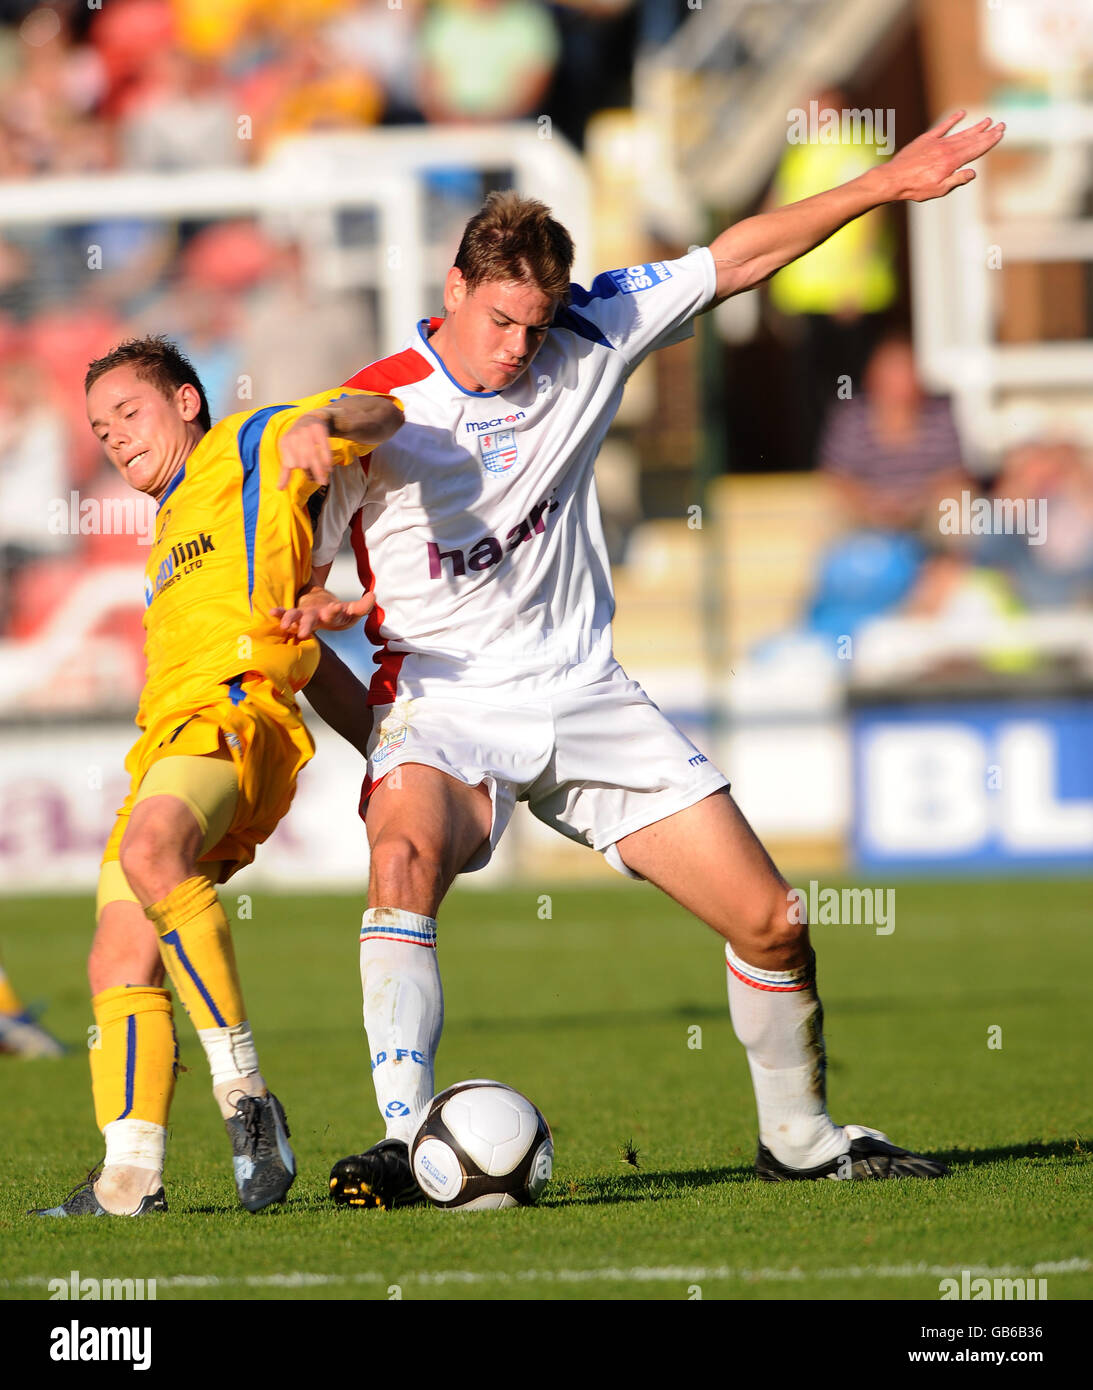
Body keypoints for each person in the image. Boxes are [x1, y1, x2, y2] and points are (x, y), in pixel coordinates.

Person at [281, 111, 1006, 1208]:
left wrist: (885, 185)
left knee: (774, 920)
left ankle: (800, 1136)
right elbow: (338, 444)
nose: (516, 346)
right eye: (496, 320)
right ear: (453, 290)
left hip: (585, 693)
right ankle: (406, 1134)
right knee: (403, 860)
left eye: (533, 322)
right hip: (444, 702)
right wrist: (308, 498)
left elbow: (742, 252)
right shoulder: (380, 408)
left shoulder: (596, 325)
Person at [33, 335, 403, 1217]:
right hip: (172, 741)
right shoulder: (168, 531)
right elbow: (301, 646)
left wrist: (321, 417)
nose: (116, 437)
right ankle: (129, 1178)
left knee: (154, 853)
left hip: (235, 718)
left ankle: (245, 1098)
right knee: (118, 951)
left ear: (188, 403)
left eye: (132, 411)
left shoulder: (247, 443)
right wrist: (382, 749)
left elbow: (380, 415)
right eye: (100, 427)